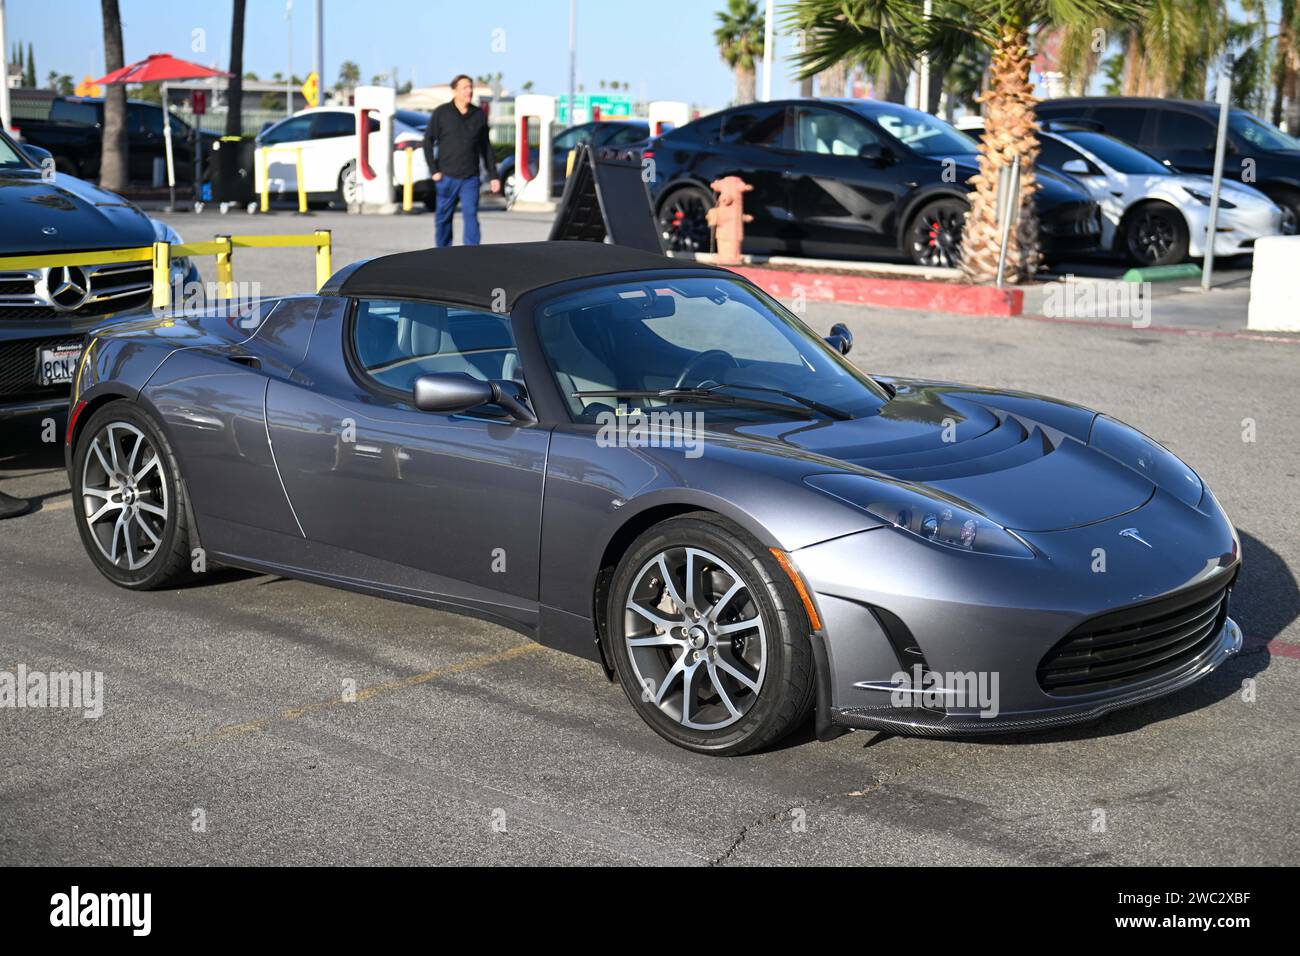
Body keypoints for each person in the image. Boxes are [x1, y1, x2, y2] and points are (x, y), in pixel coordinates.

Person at [422, 74, 500, 246]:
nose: (469, 91)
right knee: (443, 219)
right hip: (446, 177)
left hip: (470, 178)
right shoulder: (442, 113)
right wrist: (434, 170)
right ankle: (443, 253)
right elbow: (427, 141)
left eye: (470, 87)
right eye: (465, 87)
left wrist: (493, 175)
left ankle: (471, 255)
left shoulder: (478, 114)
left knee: (471, 217)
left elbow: (486, 148)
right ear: (455, 90)